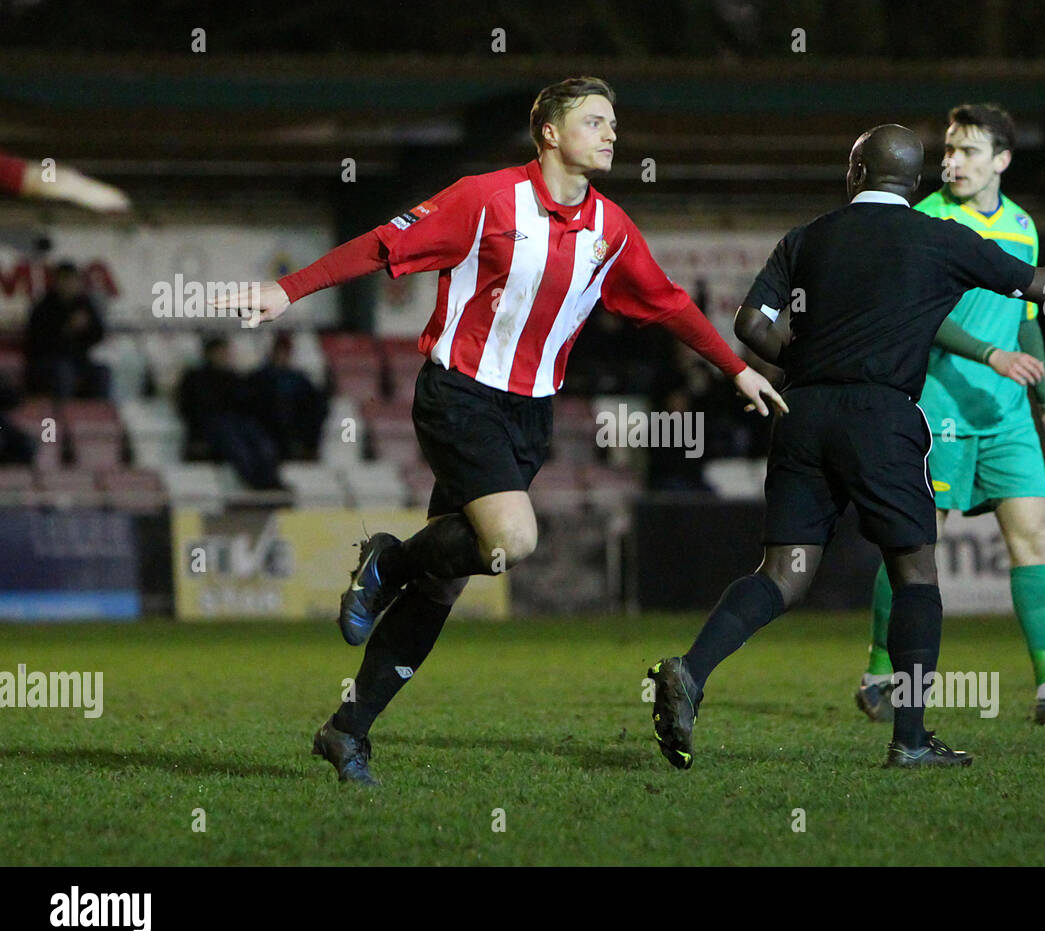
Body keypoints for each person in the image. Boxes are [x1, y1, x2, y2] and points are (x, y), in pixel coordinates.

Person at [210, 76, 786, 786]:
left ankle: (346, 730)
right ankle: (387, 563)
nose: (611, 133)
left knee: (445, 586)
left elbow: (666, 302)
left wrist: (736, 369)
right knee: (513, 539)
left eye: (613, 123)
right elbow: (386, 244)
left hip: (530, 416)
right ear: (549, 132)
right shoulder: (485, 198)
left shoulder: (610, 227)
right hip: (461, 395)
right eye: (595, 121)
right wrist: (287, 289)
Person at [646, 124, 1045, 771]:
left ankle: (691, 671)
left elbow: (750, 323)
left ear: (854, 173)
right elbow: (1043, 285)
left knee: (782, 572)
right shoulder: (940, 238)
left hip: (802, 414)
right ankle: (911, 741)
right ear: (915, 183)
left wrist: (809, 361)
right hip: (882, 416)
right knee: (915, 573)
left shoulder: (808, 237)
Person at [854, 104, 1045, 726]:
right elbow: (920, 316)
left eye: (968, 151)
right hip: (938, 410)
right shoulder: (924, 219)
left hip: (1007, 416)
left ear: (1001, 160)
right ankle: (878, 674)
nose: (952, 161)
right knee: (914, 546)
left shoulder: (1023, 225)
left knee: (1035, 540)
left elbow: (1027, 320)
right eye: (949, 150)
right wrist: (989, 354)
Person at [178, 337, 284, 491]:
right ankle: (257, 484)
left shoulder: (233, 377)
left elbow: (246, 403)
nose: (225, 355)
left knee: (264, 445)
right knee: (238, 448)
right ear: (210, 353)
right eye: (221, 352)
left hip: (237, 421)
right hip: (213, 422)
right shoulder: (195, 377)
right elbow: (189, 407)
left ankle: (271, 479)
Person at [25, 262, 111, 399]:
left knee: (102, 372)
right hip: (47, 363)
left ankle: (98, 410)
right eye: (66, 280)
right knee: (63, 372)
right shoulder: (44, 307)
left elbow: (98, 334)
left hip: (77, 360)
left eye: (73, 280)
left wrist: (87, 328)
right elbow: (39, 342)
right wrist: (68, 329)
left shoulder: (83, 304)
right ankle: (64, 410)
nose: (70, 285)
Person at [249, 332, 328, 460]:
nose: (282, 356)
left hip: (293, 420)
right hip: (269, 420)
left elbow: (314, 400)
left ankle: (305, 448)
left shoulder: (297, 378)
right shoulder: (261, 377)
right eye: (279, 352)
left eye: (285, 353)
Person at [0, 149, 130, 212]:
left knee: (66, 180)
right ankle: (116, 203)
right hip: (25, 178)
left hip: (25, 175)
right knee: (67, 182)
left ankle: (116, 203)